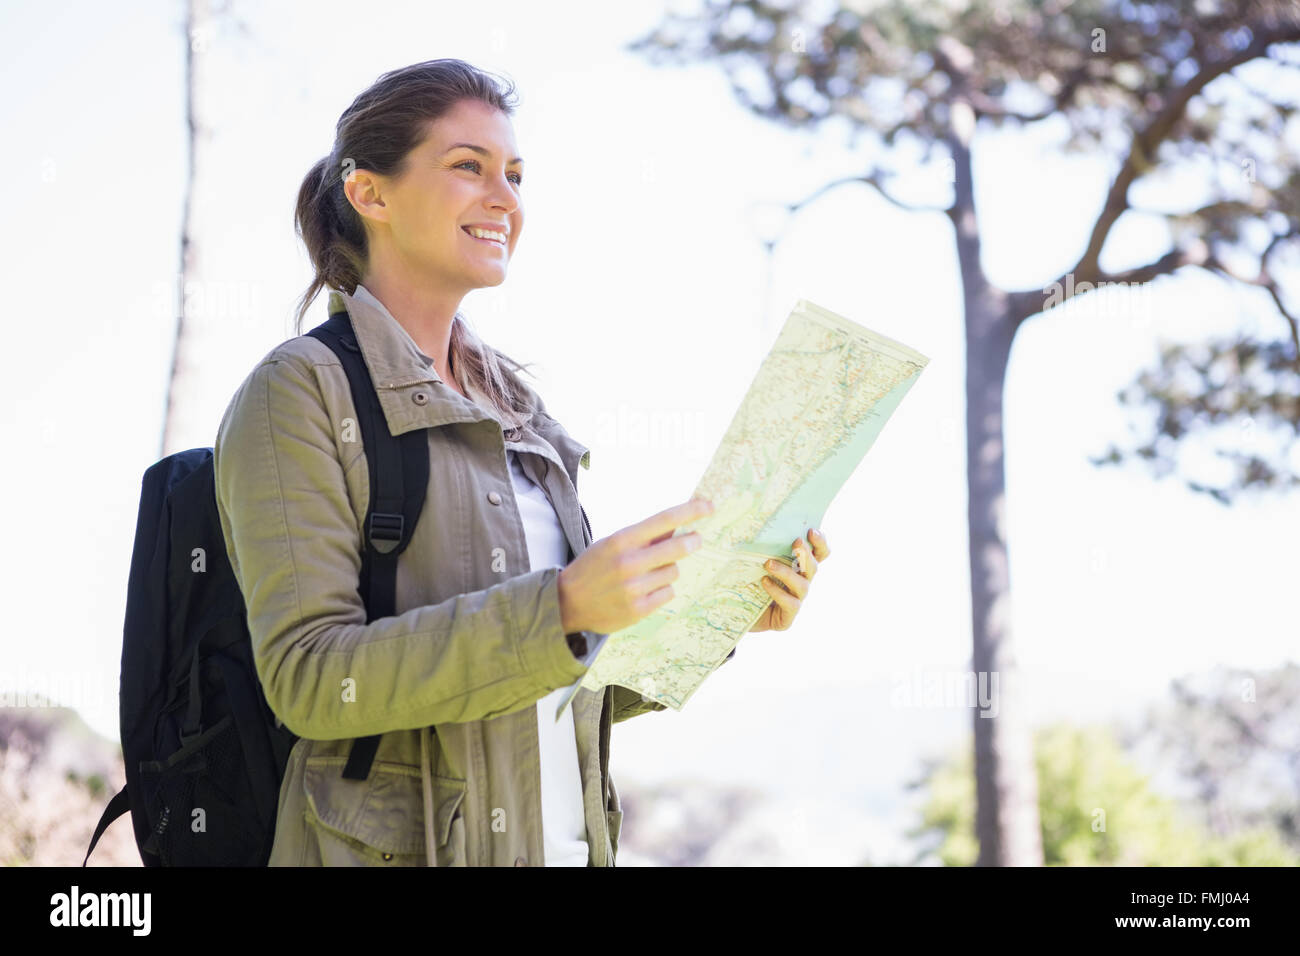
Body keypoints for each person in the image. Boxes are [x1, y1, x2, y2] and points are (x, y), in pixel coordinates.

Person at [214, 58, 828, 867]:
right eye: (468, 167)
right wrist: (565, 604)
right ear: (371, 194)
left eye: (514, 174)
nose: (506, 200)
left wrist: (718, 619)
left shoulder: (518, 407)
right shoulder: (300, 392)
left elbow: (564, 685)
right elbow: (311, 678)